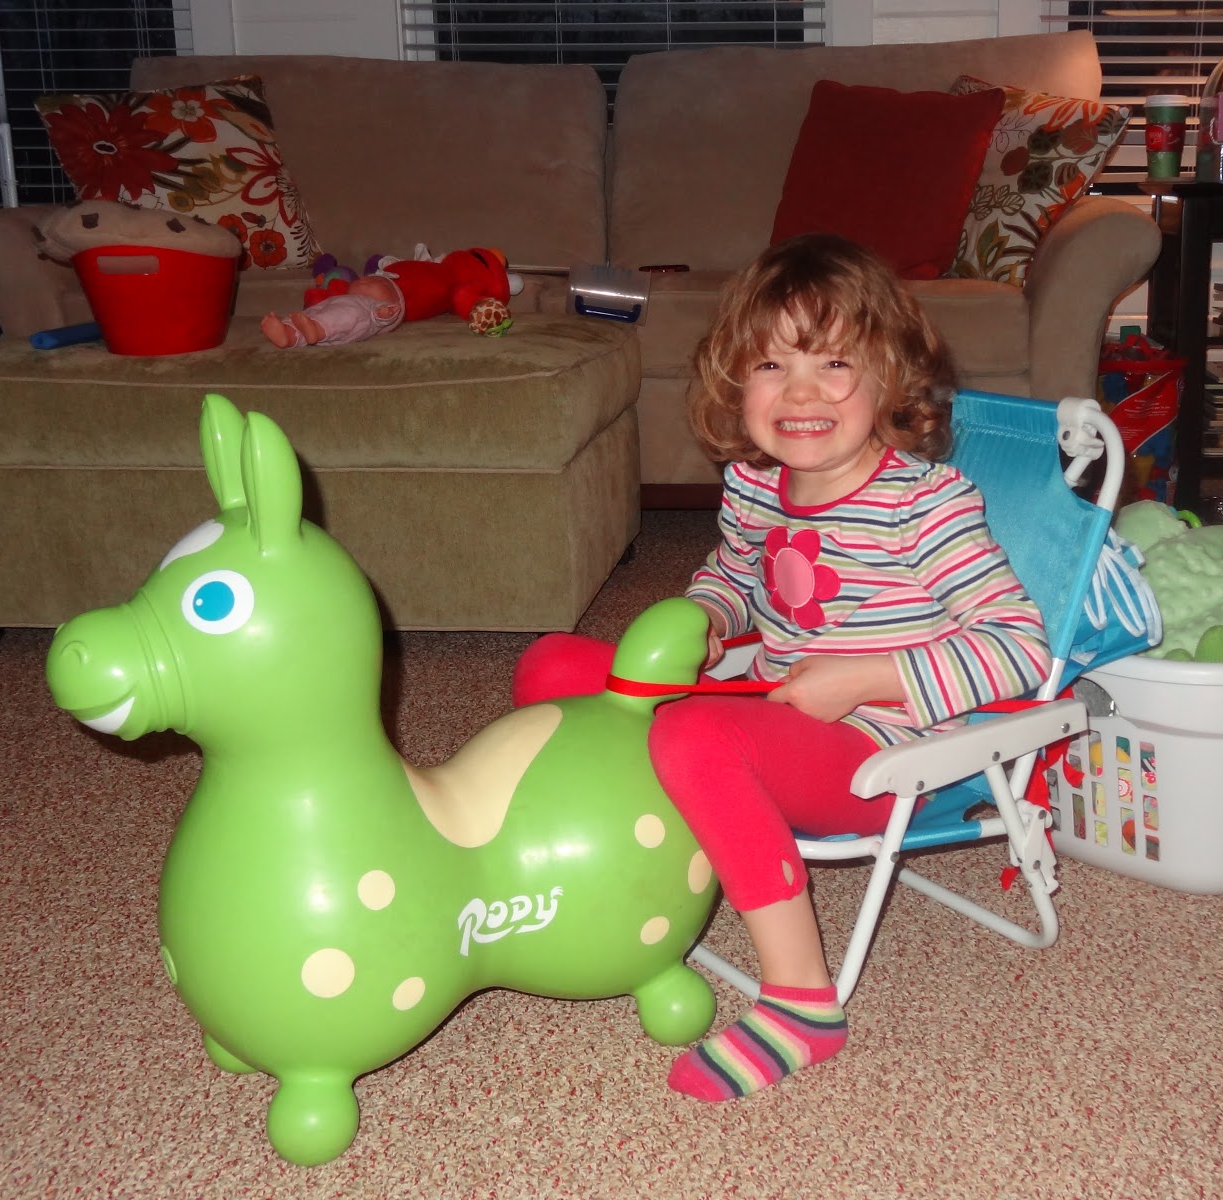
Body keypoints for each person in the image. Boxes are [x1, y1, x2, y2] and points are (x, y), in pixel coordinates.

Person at [511, 233, 1050, 1101]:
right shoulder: (757, 486)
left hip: (881, 747)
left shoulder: (925, 503)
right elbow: (734, 576)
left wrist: (867, 675)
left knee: (692, 735)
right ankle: (594, 866)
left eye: (834, 363)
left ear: (889, 379)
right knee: (555, 667)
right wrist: (710, 620)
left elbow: (1017, 644)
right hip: (774, 701)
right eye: (769, 366)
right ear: (735, 384)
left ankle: (803, 1000)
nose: (799, 392)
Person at [261, 274, 405, 347]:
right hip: (324, 322)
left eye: (380, 282)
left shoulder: (371, 309)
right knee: (307, 315)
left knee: (345, 315)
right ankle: (287, 334)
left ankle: (314, 330)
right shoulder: (343, 299)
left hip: (355, 317)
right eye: (368, 277)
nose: (366, 278)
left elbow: (388, 315)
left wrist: (385, 313)